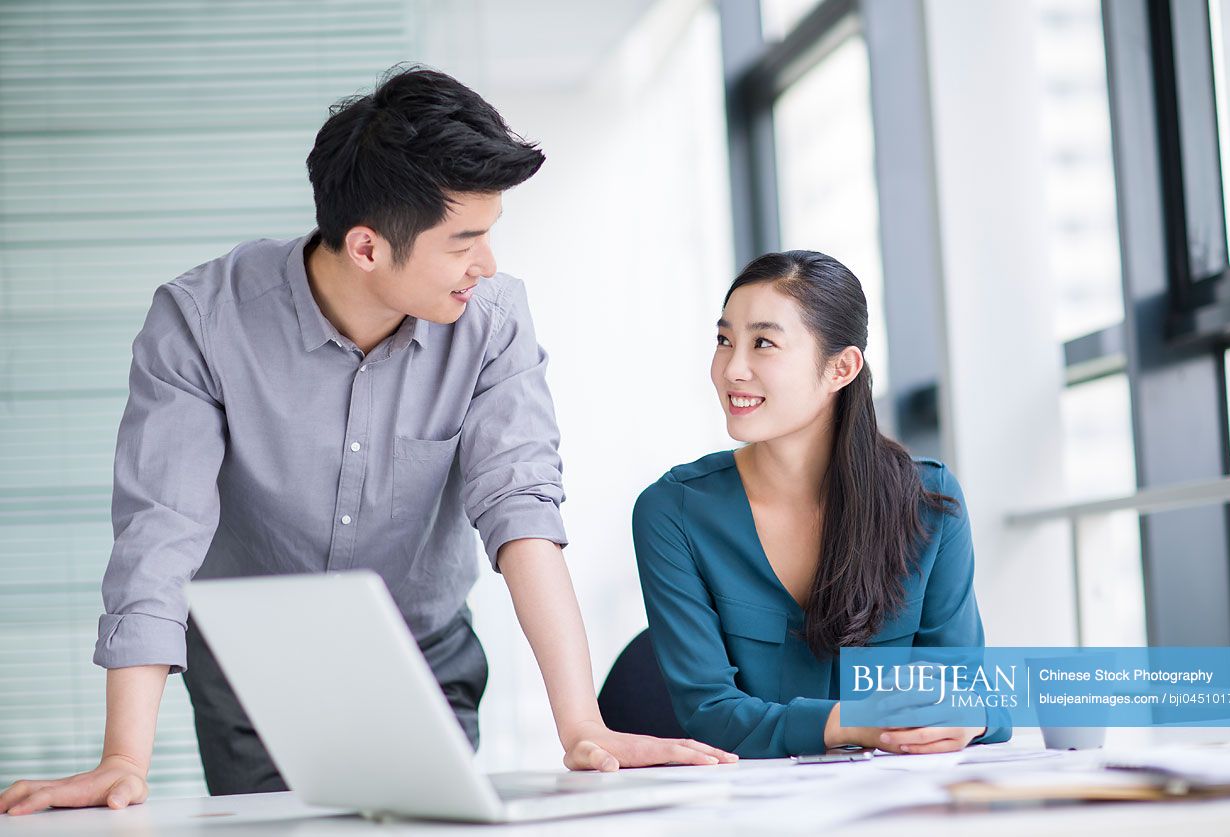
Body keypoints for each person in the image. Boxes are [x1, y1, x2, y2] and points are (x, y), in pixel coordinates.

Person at [0, 65, 733, 817]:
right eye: (464, 242)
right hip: (253, 671)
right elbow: (160, 531)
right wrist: (123, 759)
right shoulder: (202, 322)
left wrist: (581, 725)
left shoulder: (492, 319)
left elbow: (521, 510)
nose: (486, 265)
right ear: (366, 247)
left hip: (425, 650)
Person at [633, 250, 1011, 758]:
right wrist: (854, 721)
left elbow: (966, 690)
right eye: (724, 341)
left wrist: (969, 716)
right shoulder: (673, 512)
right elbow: (709, 713)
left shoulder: (928, 501)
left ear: (841, 368)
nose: (732, 369)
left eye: (763, 343)